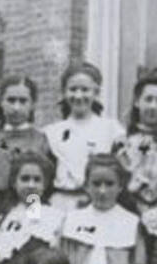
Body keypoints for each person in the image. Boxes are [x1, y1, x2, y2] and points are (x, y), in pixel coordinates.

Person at [58, 153, 140, 264]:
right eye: (96, 184)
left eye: (109, 184)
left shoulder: (131, 222)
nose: (102, 191)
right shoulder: (71, 220)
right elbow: (59, 263)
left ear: (120, 187)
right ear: (86, 186)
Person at [43, 61, 126, 210]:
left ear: (96, 92)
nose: (78, 95)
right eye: (73, 89)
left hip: (98, 202)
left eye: (85, 90)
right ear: (64, 92)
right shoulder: (51, 132)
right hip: (60, 202)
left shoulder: (111, 129)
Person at [0, 74, 54, 215]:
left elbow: (44, 186)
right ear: (1, 102)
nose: (16, 107)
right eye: (11, 100)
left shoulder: (41, 141)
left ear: (33, 104)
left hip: (30, 212)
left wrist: (33, 215)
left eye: (23, 101)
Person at [116, 67, 157, 213]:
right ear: (137, 102)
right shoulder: (122, 142)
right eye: (148, 99)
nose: (153, 106)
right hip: (129, 211)